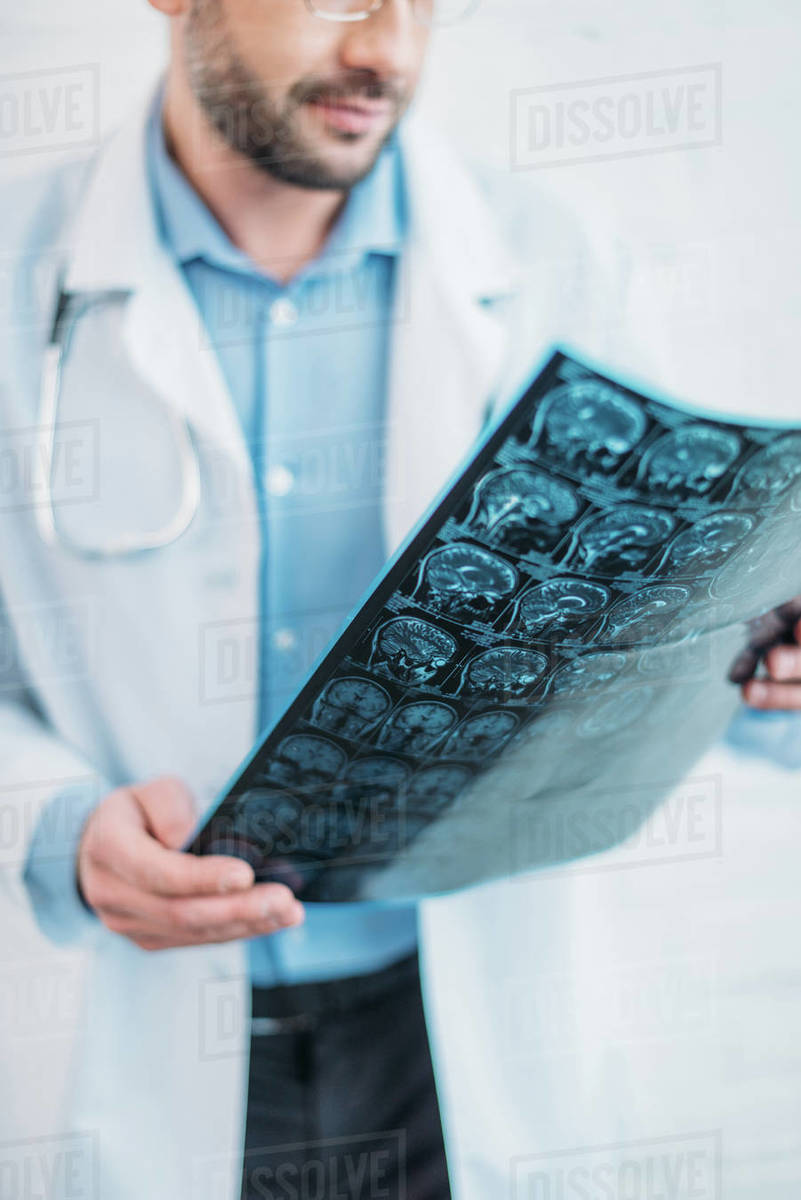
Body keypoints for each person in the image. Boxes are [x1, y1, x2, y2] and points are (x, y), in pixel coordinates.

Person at [2, 1, 800, 1197]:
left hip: (455, 1022)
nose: (391, 50)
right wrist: (57, 831)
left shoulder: (543, 251)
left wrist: (766, 667)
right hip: (146, 1021)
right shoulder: (24, 274)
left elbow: (645, 631)